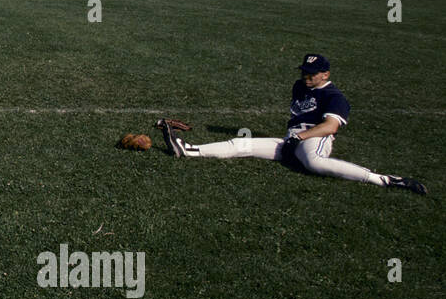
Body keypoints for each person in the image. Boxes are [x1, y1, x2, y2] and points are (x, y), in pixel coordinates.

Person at [161, 53, 427, 194]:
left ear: (326, 74)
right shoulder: (299, 86)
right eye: (304, 72)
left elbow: (330, 128)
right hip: (292, 140)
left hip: (313, 140)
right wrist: (292, 140)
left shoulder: (335, 97)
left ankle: (383, 179)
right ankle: (188, 149)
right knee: (242, 144)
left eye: (312, 73)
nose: (306, 76)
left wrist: (299, 139)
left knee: (315, 163)